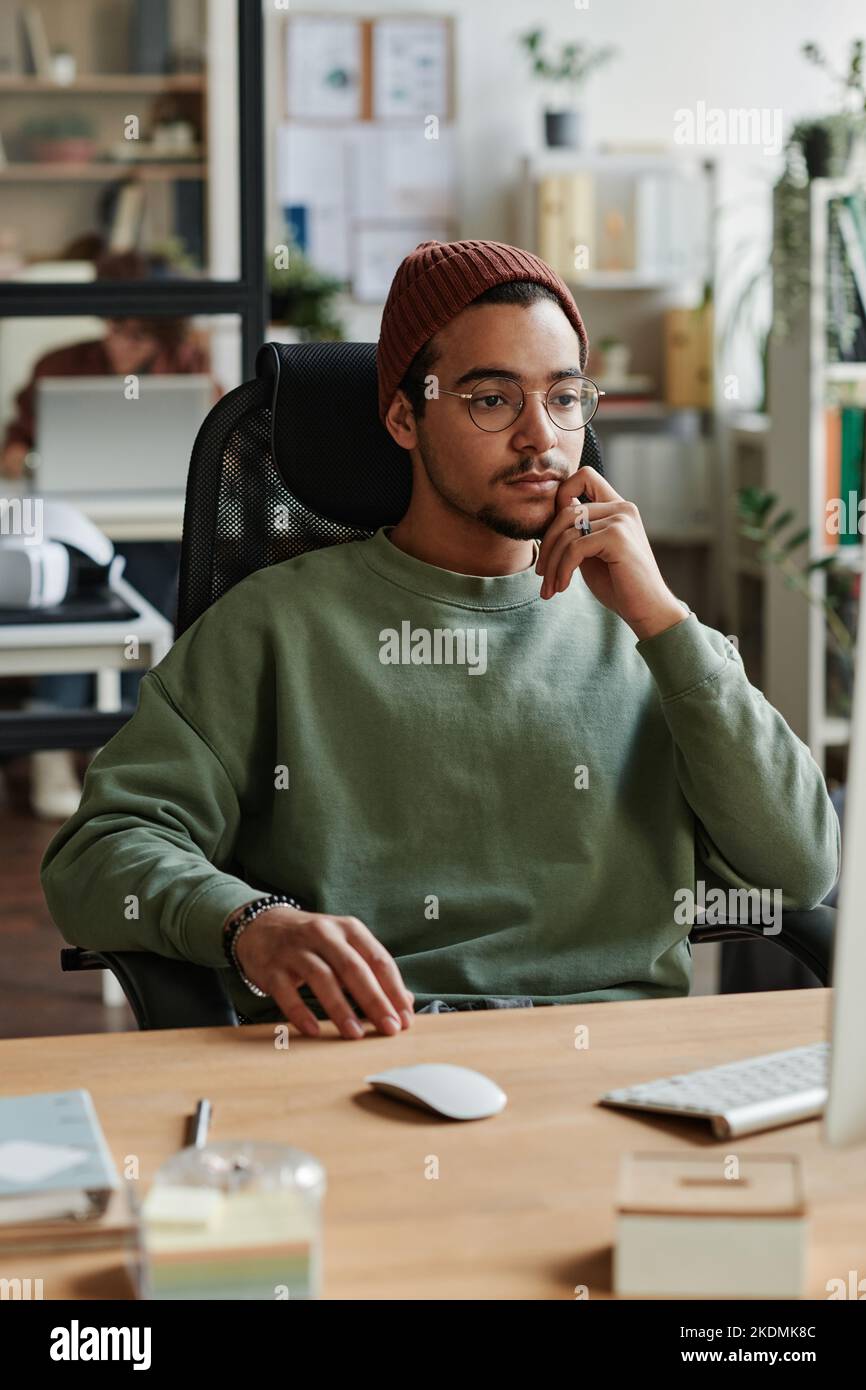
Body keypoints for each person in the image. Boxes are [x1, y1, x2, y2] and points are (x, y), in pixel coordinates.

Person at [40, 238, 841, 1039]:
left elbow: (801, 873)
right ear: (404, 417)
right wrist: (249, 922)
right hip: (361, 1049)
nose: (541, 437)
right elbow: (99, 852)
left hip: (612, 1061)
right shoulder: (273, 626)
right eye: (492, 399)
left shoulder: (650, 631)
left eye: (564, 397)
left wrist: (665, 621)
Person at [0, 250, 217, 820]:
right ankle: (52, 742)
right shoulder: (60, 364)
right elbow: (14, 449)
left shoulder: (189, 365)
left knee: (152, 570)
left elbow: (221, 443)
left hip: (150, 524)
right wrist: (31, 457)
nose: (121, 343)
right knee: (75, 581)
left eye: (137, 333)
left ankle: (115, 735)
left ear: (161, 333)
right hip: (74, 518)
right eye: (114, 327)